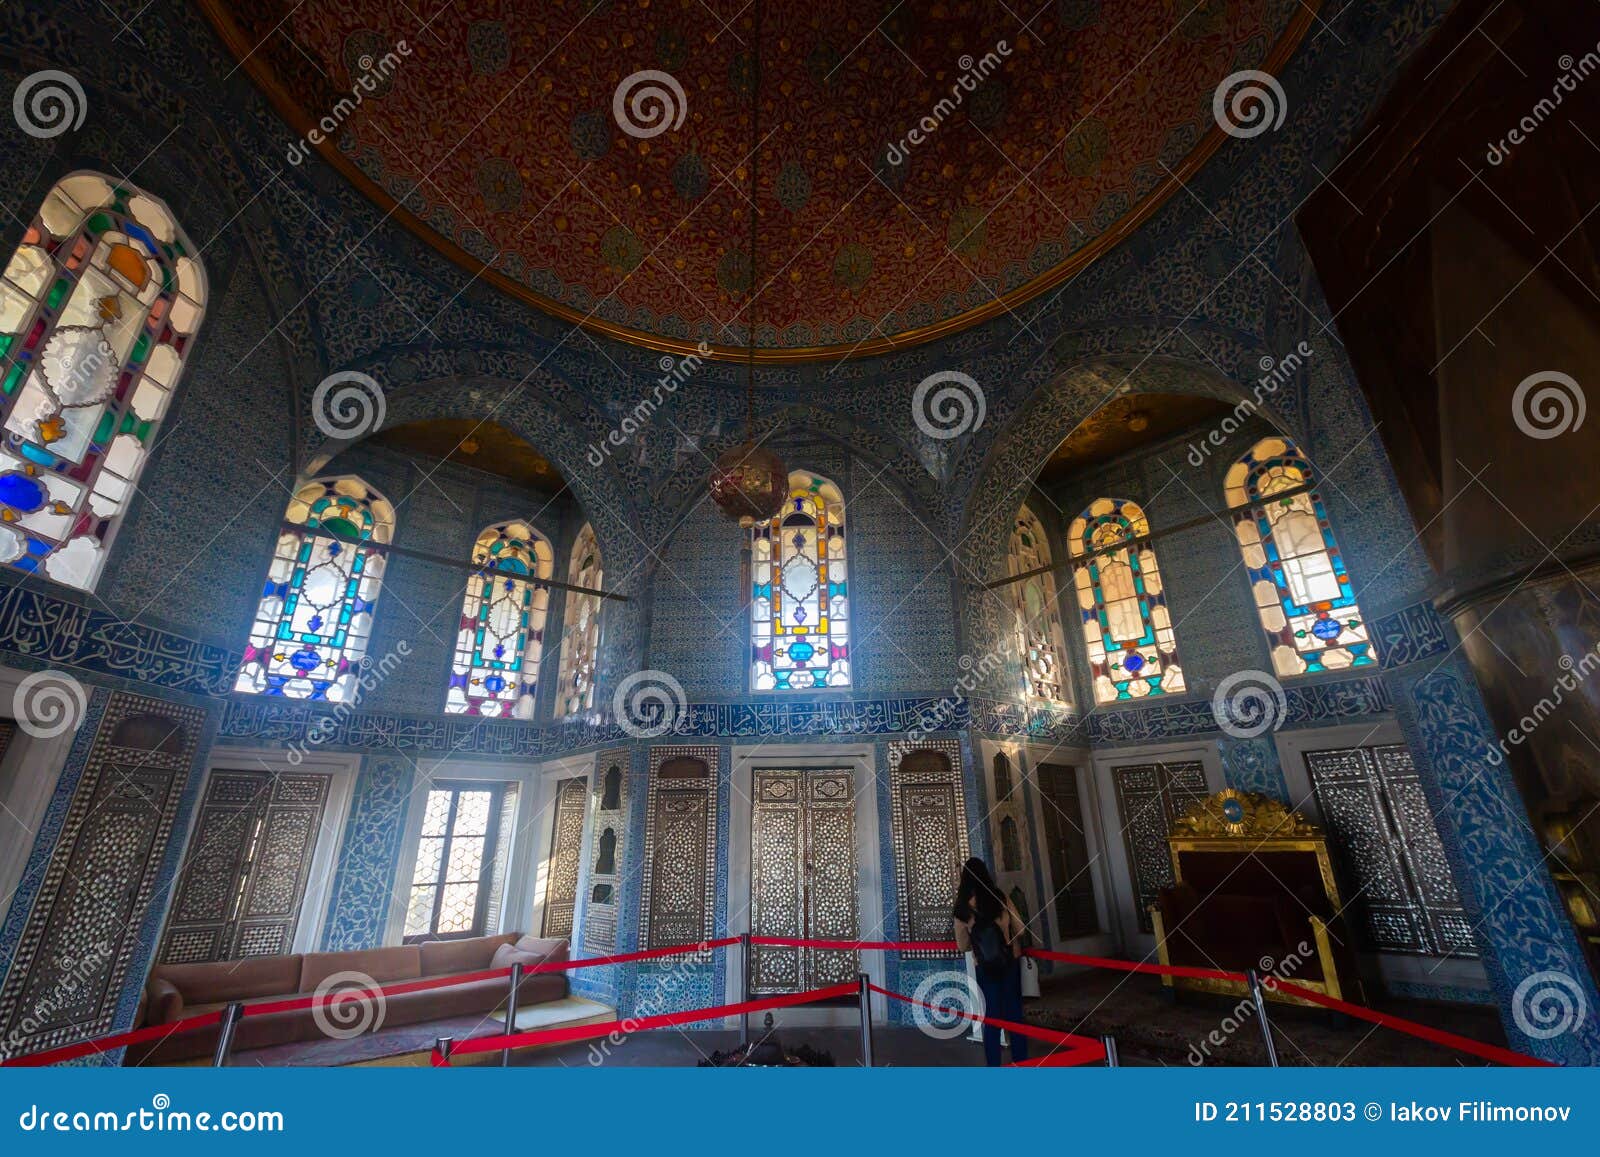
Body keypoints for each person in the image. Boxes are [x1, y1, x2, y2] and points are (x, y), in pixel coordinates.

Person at [952, 856, 1030, 1066]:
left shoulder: (962, 908)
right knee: (1014, 1015)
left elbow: (962, 946)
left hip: (985, 967)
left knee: (992, 1018)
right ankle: (1020, 1064)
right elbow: (1021, 927)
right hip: (1010, 962)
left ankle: (994, 1066)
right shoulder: (1000, 897)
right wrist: (1006, 940)